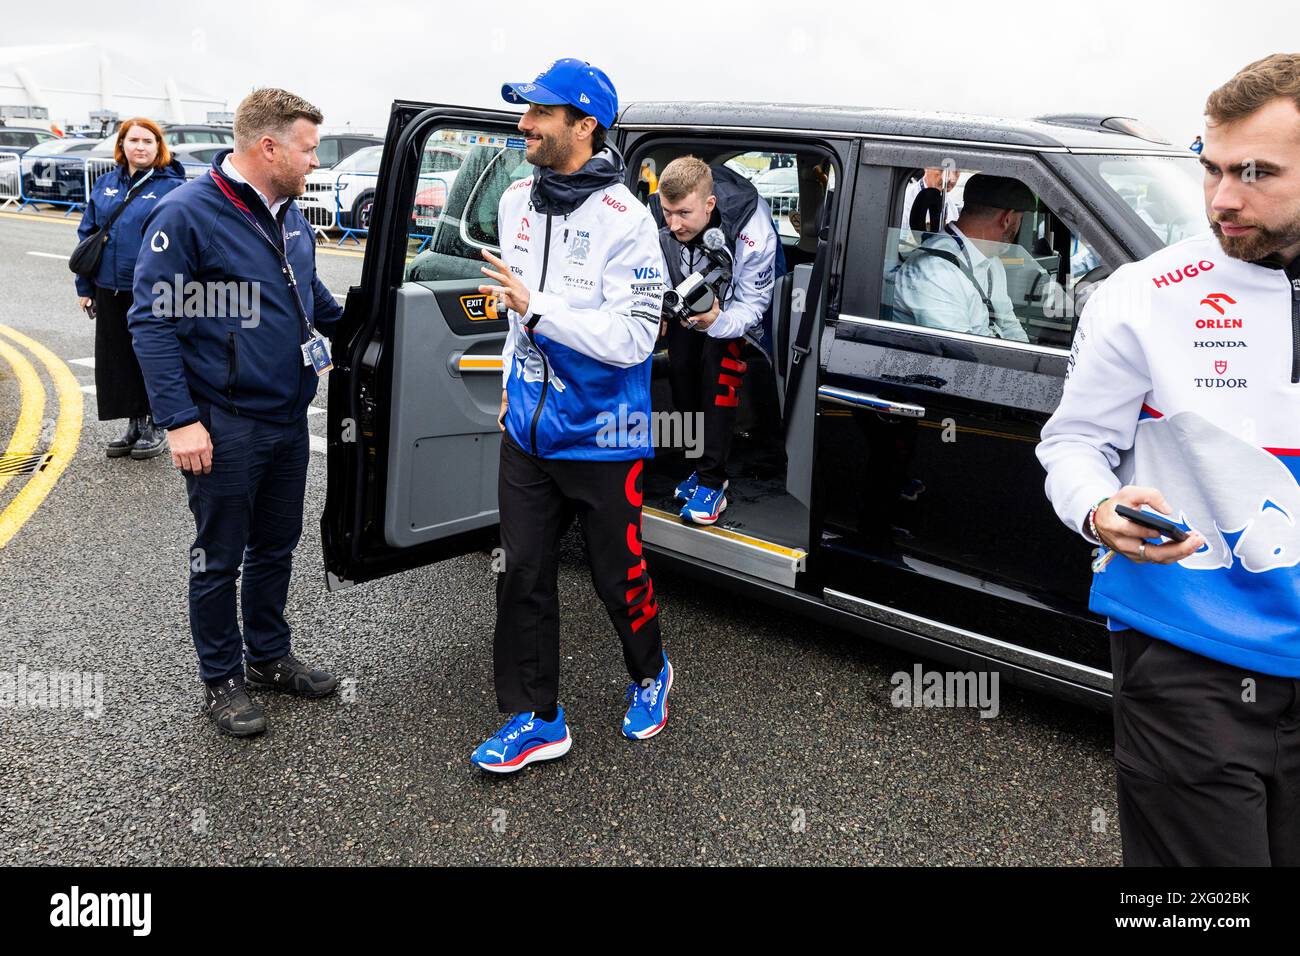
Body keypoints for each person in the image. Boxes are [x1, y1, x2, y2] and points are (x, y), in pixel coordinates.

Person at [1038, 53, 1300, 865]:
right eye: (1212, 167)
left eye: (1256, 173)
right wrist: (1096, 506)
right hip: (1191, 658)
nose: (1223, 197)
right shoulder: (1146, 294)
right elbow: (1073, 441)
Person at [472, 58, 672, 773]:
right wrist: (507, 381)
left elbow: (633, 340)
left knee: (617, 578)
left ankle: (651, 673)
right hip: (528, 431)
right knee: (522, 572)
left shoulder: (628, 222)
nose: (522, 123)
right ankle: (536, 717)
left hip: (604, 437)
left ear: (584, 126)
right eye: (524, 109)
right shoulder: (515, 201)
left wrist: (540, 309)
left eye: (539, 114)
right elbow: (511, 315)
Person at [128, 89, 343, 738]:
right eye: (307, 150)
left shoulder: (290, 215)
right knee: (218, 556)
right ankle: (220, 679)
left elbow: (314, 303)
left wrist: (403, 314)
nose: (315, 163)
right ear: (268, 146)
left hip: (286, 417)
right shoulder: (189, 213)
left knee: (276, 545)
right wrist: (180, 419)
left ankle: (268, 658)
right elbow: (153, 320)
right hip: (222, 420)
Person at [654, 156, 778, 524]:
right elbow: (651, 270)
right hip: (686, 311)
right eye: (667, 212)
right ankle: (697, 466)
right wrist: (659, 306)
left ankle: (714, 481)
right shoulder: (656, 214)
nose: (673, 223)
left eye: (683, 214)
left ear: (709, 205)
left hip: (733, 311)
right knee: (682, 384)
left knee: (717, 380)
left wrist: (717, 321)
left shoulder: (752, 229)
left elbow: (753, 307)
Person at [74, 118, 185, 458]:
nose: (140, 146)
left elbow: (183, 239)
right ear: (121, 145)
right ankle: (134, 422)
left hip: (150, 291)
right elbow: (88, 233)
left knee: (150, 357)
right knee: (118, 358)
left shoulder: (173, 186)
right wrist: (85, 286)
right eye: (133, 140)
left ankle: (156, 423)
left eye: (148, 141)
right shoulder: (107, 183)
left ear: (158, 147)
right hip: (109, 287)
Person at [892, 174, 1031, 341]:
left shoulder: (992, 262)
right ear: (1007, 219)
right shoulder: (935, 272)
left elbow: (1009, 324)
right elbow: (959, 354)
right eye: (1020, 220)